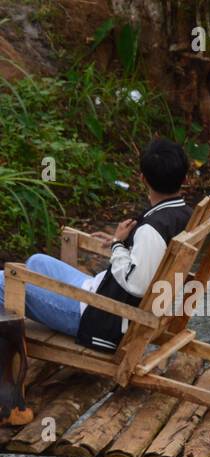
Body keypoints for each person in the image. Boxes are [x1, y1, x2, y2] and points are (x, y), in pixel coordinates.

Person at [0, 138, 193, 354]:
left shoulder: (152, 230)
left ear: (143, 179)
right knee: (37, 261)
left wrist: (119, 244)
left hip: (99, 318)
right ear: (185, 178)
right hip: (100, 295)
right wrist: (121, 244)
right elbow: (149, 261)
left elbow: (137, 284)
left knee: (2, 282)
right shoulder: (183, 214)